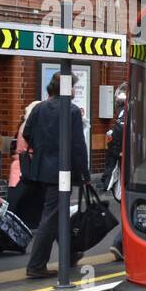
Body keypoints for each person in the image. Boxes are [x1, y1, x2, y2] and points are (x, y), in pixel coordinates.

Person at [23, 75, 90, 278]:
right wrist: (84, 174)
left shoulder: (39, 108)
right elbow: (78, 145)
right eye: (73, 87)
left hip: (42, 170)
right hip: (62, 171)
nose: (75, 91)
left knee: (57, 212)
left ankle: (70, 254)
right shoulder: (71, 111)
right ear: (66, 88)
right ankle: (36, 265)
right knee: (51, 216)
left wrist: (43, 148)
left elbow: (27, 134)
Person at [7, 100, 42, 228]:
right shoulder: (29, 126)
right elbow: (25, 149)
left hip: (21, 168)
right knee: (18, 204)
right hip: (24, 169)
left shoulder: (25, 125)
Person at [102, 86, 127, 262]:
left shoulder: (119, 123)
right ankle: (119, 243)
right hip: (128, 172)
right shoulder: (127, 121)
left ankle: (121, 243)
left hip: (119, 171)